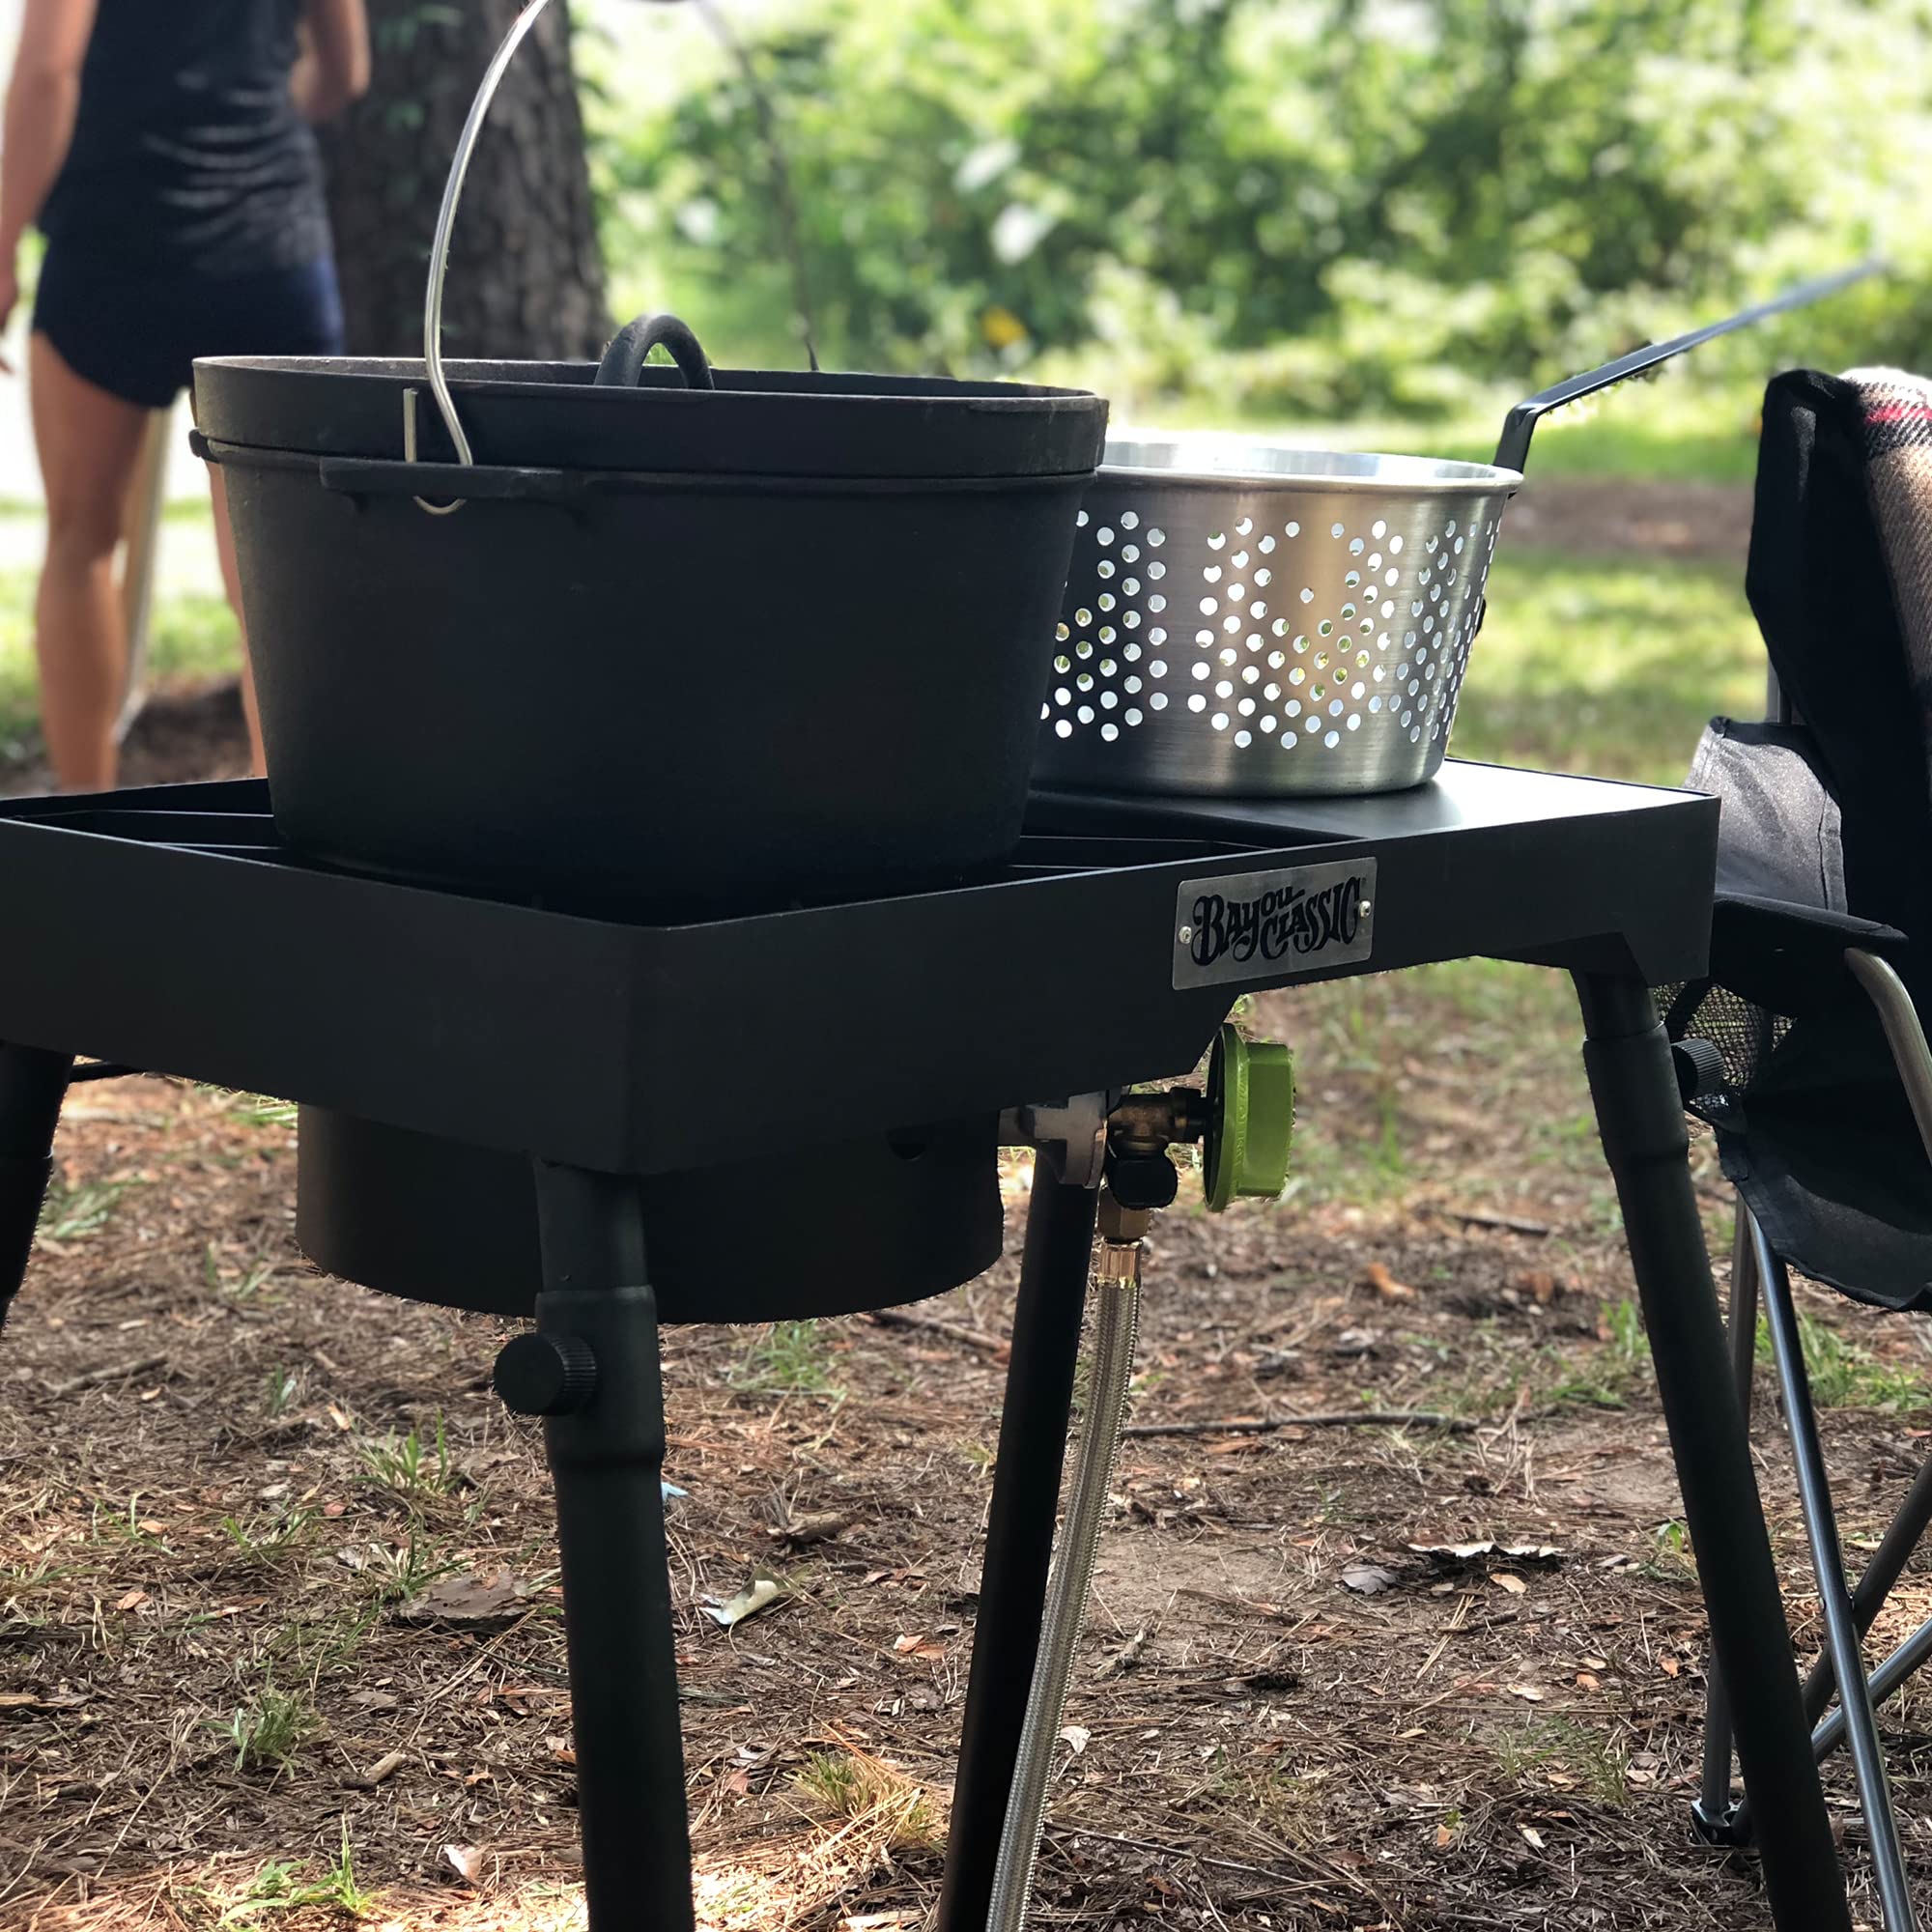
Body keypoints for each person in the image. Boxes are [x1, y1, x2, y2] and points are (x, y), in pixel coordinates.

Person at [0, 0, 369, 791]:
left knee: (81, 539)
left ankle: (87, 822)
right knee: (276, 570)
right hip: (270, 254)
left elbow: (46, 72)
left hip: (112, 248)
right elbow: (345, 73)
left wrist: (0, 247)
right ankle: (284, 825)